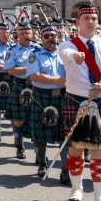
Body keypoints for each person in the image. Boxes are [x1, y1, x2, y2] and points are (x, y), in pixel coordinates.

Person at [57, 0, 101, 201]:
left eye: (94, 19)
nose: (91, 22)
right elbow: (67, 56)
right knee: (76, 148)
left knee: (99, 150)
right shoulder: (67, 45)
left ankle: (100, 199)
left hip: (100, 101)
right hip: (76, 100)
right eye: (86, 18)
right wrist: (76, 56)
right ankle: (77, 190)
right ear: (78, 22)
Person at [26, 22, 67, 179]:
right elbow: (34, 76)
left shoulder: (65, 53)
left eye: (53, 36)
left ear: (57, 37)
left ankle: (65, 169)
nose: (50, 38)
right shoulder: (34, 55)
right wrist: (58, 80)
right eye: (46, 36)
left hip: (63, 97)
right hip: (41, 97)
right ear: (41, 38)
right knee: (40, 135)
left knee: (64, 136)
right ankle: (42, 163)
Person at [3, 18, 37, 160]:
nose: (25, 35)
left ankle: (38, 152)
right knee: (19, 120)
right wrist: (31, 69)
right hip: (19, 85)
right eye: (22, 33)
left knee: (35, 120)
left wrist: (25, 70)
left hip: (36, 86)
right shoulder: (12, 50)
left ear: (32, 33)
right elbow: (10, 70)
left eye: (27, 32)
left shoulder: (39, 48)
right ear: (18, 34)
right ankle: (20, 146)